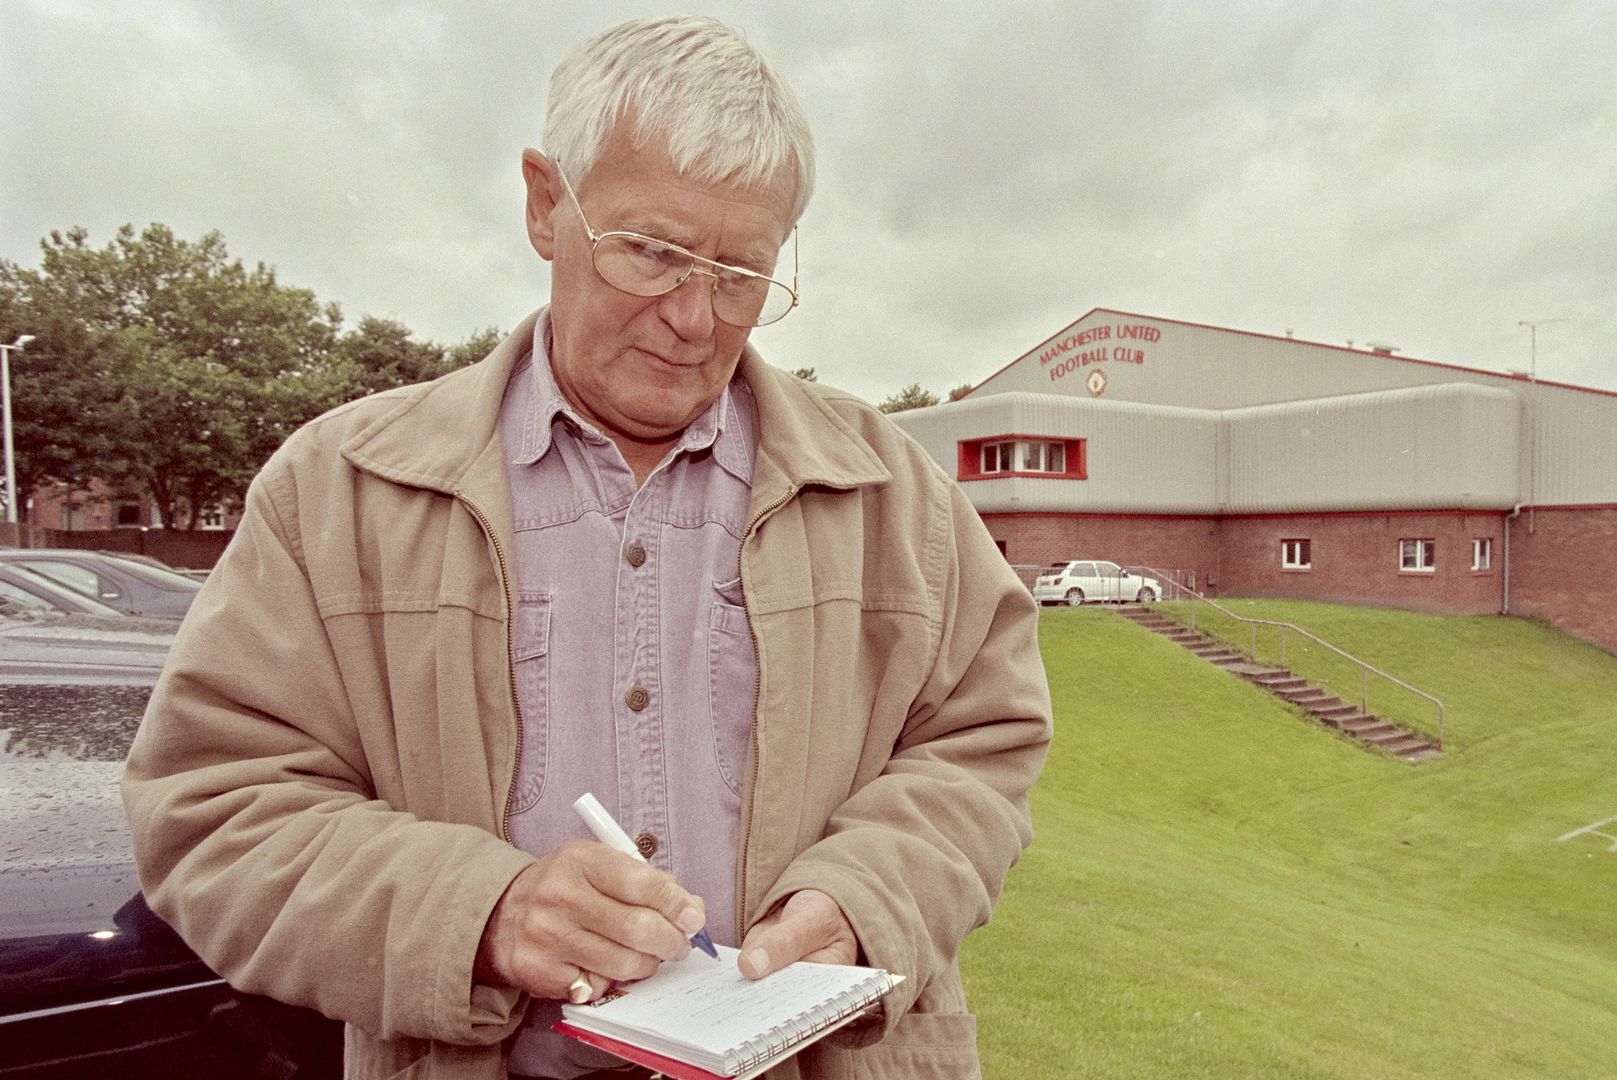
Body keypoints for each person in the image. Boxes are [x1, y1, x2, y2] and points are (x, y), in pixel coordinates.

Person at [121, 16, 1050, 1080]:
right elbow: (213, 812)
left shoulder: (901, 502)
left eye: (741, 274)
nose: (695, 317)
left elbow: (983, 751)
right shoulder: (337, 491)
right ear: (543, 205)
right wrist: (486, 912)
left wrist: (857, 903)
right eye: (654, 252)